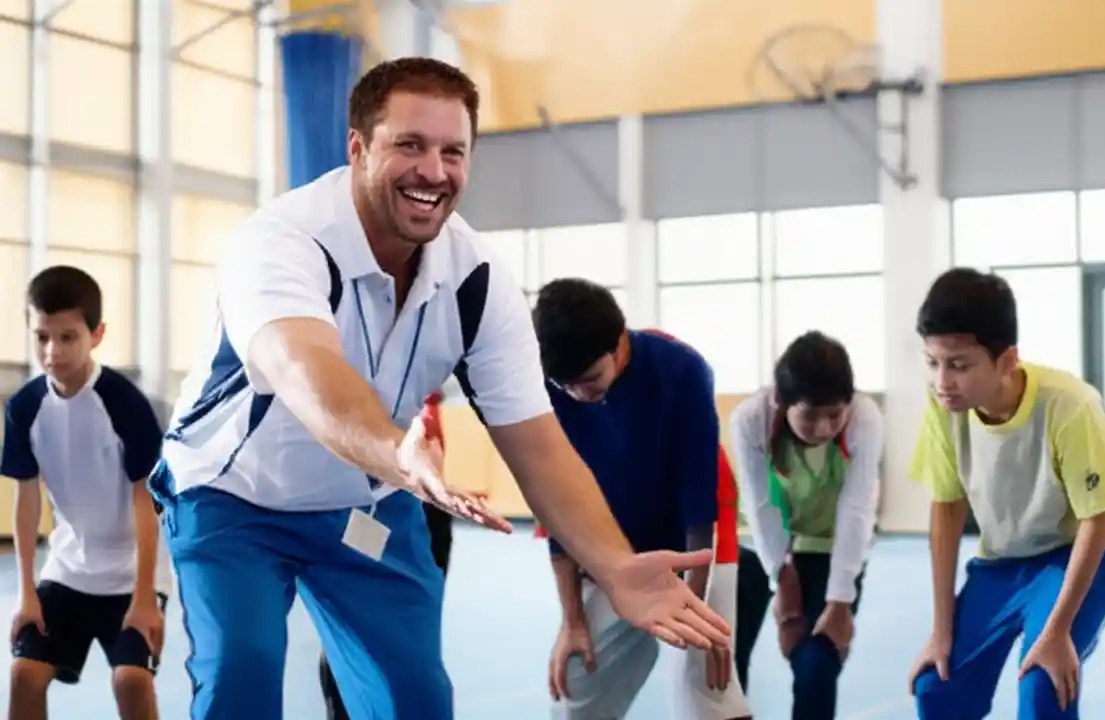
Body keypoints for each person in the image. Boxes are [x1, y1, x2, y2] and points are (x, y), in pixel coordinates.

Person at [150, 57, 728, 720]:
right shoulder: (281, 242)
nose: (434, 171)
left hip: (362, 509)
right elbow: (308, 374)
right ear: (358, 148)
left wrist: (616, 565)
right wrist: (400, 453)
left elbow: (540, 449)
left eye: (454, 151)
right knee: (241, 679)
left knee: (415, 700)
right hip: (235, 498)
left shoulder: (476, 280)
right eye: (410, 145)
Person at [906, 267, 1105, 720]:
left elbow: (1098, 516)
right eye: (933, 362)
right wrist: (941, 630)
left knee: (1044, 681)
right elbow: (946, 507)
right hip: (1006, 559)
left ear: (1006, 360)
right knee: (935, 686)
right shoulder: (944, 405)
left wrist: (1057, 632)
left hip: (1090, 546)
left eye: (959, 365)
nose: (943, 381)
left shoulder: (1068, 404)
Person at [531, 278, 751, 720]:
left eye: (590, 379)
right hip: (612, 541)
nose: (579, 395)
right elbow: (559, 513)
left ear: (620, 344)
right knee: (577, 679)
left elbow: (698, 503)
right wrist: (571, 620)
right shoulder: (551, 388)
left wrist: (695, 607)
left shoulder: (683, 371)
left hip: (698, 540)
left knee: (708, 678)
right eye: (566, 385)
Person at [2, 266, 169, 720]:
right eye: (42, 337)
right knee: (23, 675)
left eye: (68, 337)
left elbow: (146, 500)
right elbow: (28, 498)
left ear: (96, 334)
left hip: (132, 573)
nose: (52, 351)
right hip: (68, 570)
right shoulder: (24, 408)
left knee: (131, 682)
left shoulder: (125, 404)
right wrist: (26, 592)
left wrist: (144, 596)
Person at [727, 330, 883, 720]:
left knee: (816, 663)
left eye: (834, 414)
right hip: (770, 546)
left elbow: (856, 508)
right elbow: (759, 503)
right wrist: (782, 579)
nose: (825, 427)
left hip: (835, 546)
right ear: (781, 401)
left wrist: (840, 600)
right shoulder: (751, 418)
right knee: (726, 659)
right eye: (810, 415)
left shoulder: (864, 418)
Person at [319, 390, 454, 720]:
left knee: (411, 642)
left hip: (422, 517)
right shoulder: (359, 397)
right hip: (363, 515)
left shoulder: (425, 408)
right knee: (351, 637)